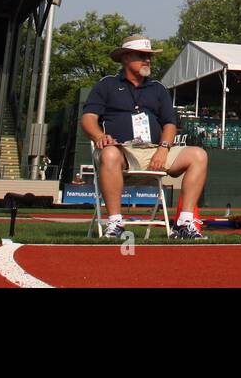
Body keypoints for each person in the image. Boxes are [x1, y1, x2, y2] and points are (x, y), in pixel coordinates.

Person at [80, 34, 208, 239]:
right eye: (141, 55)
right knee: (110, 153)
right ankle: (115, 224)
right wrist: (99, 137)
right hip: (120, 151)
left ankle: (184, 224)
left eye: (149, 56)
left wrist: (163, 148)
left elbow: (169, 124)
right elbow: (88, 119)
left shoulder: (158, 88)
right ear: (125, 58)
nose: (147, 60)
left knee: (198, 155)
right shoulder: (107, 85)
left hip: (154, 151)